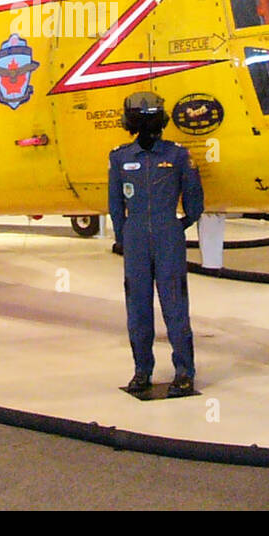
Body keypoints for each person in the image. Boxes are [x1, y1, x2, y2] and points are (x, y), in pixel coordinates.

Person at [108, 90, 204, 397]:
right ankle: (141, 371)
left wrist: (177, 226)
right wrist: (125, 235)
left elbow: (195, 202)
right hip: (138, 236)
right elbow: (114, 205)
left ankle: (185, 373)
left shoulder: (177, 156)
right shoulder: (120, 157)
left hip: (167, 235)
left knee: (175, 306)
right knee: (137, 309)